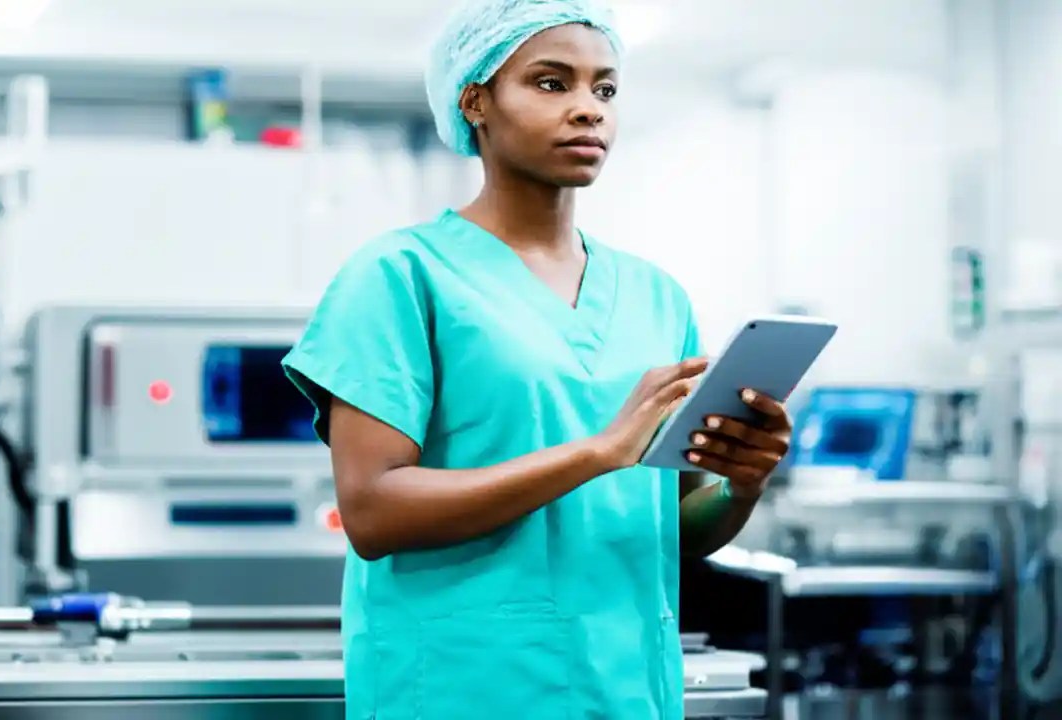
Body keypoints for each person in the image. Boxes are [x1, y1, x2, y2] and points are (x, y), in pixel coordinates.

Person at [281, 0, 793, 716]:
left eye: (604, 89)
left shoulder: (655, 296)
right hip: (464, 687)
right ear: (476, 103)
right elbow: (372, 511)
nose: (588, 110)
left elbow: (666, 525)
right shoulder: (401, 276)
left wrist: (740, 488)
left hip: (626, 688)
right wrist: (598, 452)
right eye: (552, 83)